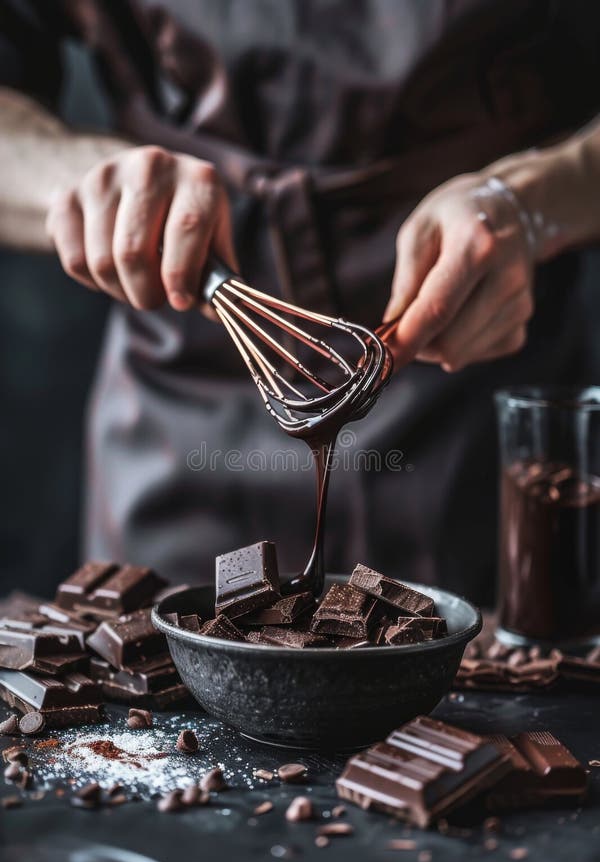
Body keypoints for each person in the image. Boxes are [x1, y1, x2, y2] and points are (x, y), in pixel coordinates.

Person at [0, 0, 598, 604]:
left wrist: (533, 204)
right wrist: (82, 184)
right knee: (168, 671)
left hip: (476, 398)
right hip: (182, 405)